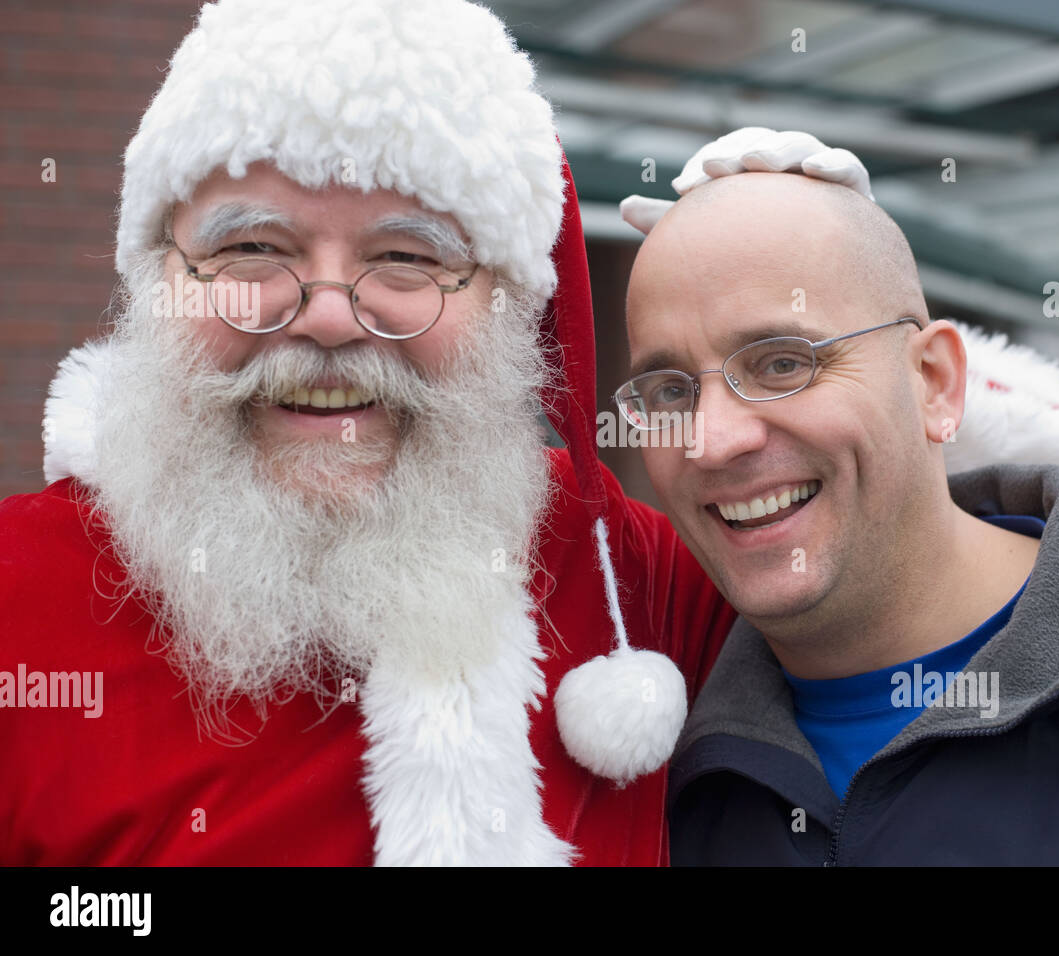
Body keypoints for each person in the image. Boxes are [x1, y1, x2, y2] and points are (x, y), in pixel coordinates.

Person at [0, 0, 740, 867]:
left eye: (406, 259)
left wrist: (795, 269)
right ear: (159, 278)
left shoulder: (635, 581)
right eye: (250, 247)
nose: (323, 317)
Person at [617, 136, 1059, 865]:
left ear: (935, 383)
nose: (713, 441)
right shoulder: (646, 761)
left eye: (784, 363)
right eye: (668, 392)